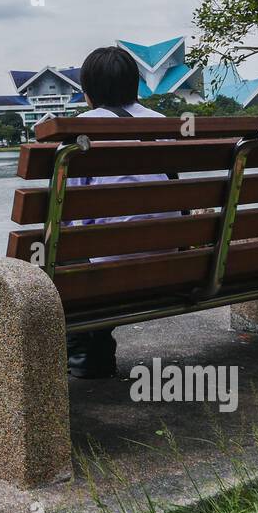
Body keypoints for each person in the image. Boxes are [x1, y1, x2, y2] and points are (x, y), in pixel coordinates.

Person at [65, 46, 175, 378]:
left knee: (61, 250)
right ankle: (89, 352)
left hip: (110, 268)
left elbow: (64, 218)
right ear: (135, 86)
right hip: (173, 261)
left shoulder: (78, 131)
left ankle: (85, 354)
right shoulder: (163, 125)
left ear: (88, 92)